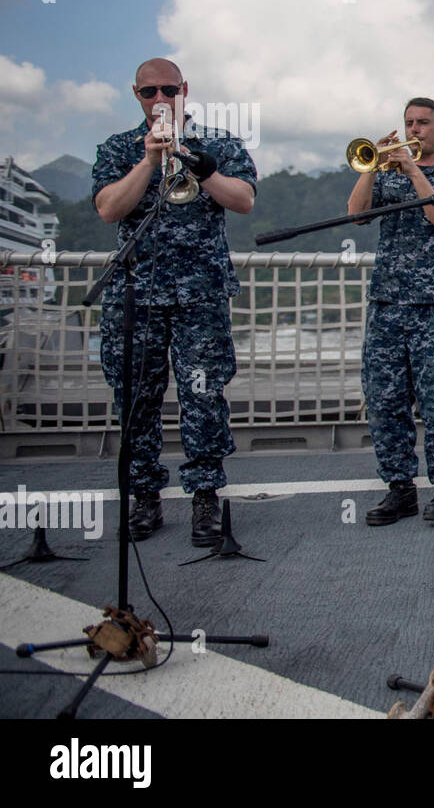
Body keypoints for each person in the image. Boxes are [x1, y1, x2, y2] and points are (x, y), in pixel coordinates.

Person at [92, 58, 257, 546]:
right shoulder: (119, 148)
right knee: (136, 399)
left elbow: (244, 200)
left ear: (184, 90)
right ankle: (144, 497)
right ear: (136, 96)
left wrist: (198, 167)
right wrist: (148, 161)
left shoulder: (219, 144)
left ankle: (205, 496)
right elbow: (107, 210)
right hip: (134, 295)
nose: (159, 99)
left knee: (203, 398)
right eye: (149, 92)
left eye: (168, 90)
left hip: (200, 294)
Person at [348, 98, 434, 527]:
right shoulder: (386, 172)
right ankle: (399, 487)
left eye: (423, 123)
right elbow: (357, 215)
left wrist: (413, 170)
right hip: (387, 303)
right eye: (408, 123)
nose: (414, 130)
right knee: (385, 400)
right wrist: (372, 168)